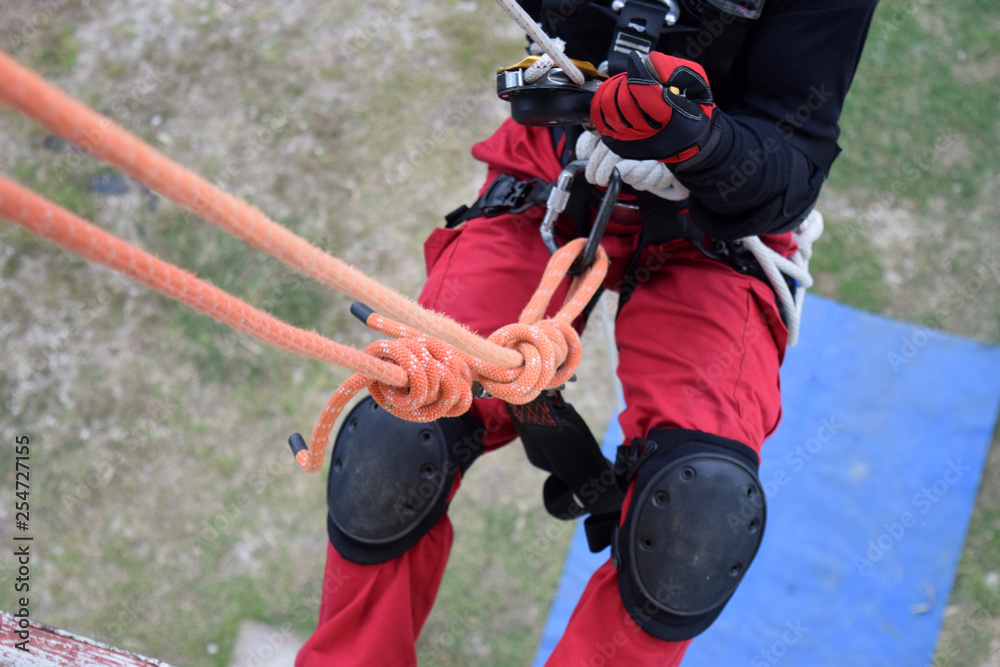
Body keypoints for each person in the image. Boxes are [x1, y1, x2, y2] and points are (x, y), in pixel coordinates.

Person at [296, 0, 878, 664]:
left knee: (696, 517)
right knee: (400, 431)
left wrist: (701, 142)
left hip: (721, 221)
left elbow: (794, 157)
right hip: (559, 170)